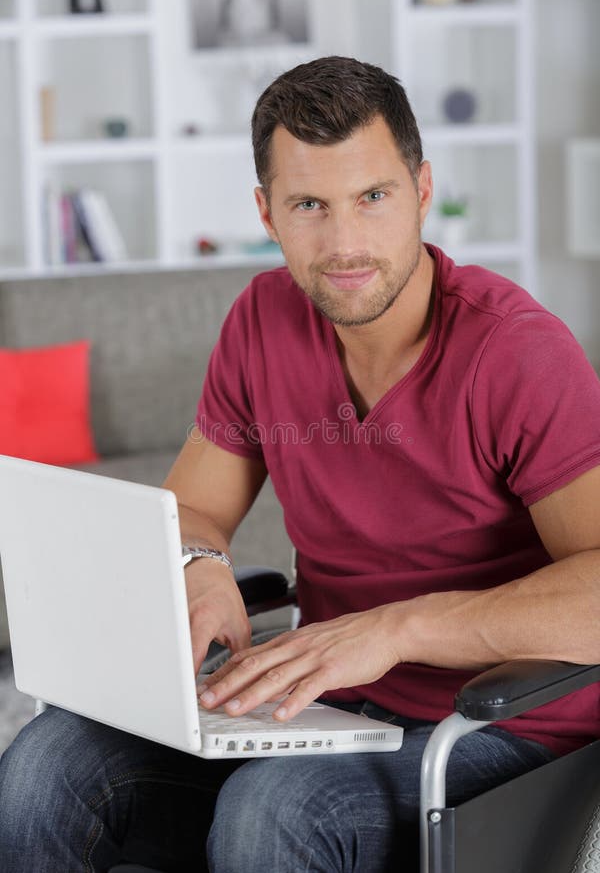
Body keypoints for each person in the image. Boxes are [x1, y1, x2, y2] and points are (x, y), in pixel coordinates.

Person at [1, 55, 600, 873]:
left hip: (498, 727)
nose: (346, 242)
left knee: (272, 813)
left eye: (373, 198)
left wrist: (394, 629)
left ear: (423, 190)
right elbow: (195, 511)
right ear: (267, 212)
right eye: (310, 205)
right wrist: (202, 562)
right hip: (326, 703)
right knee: (45, 767)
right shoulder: (261, 321)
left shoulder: (518, 354)